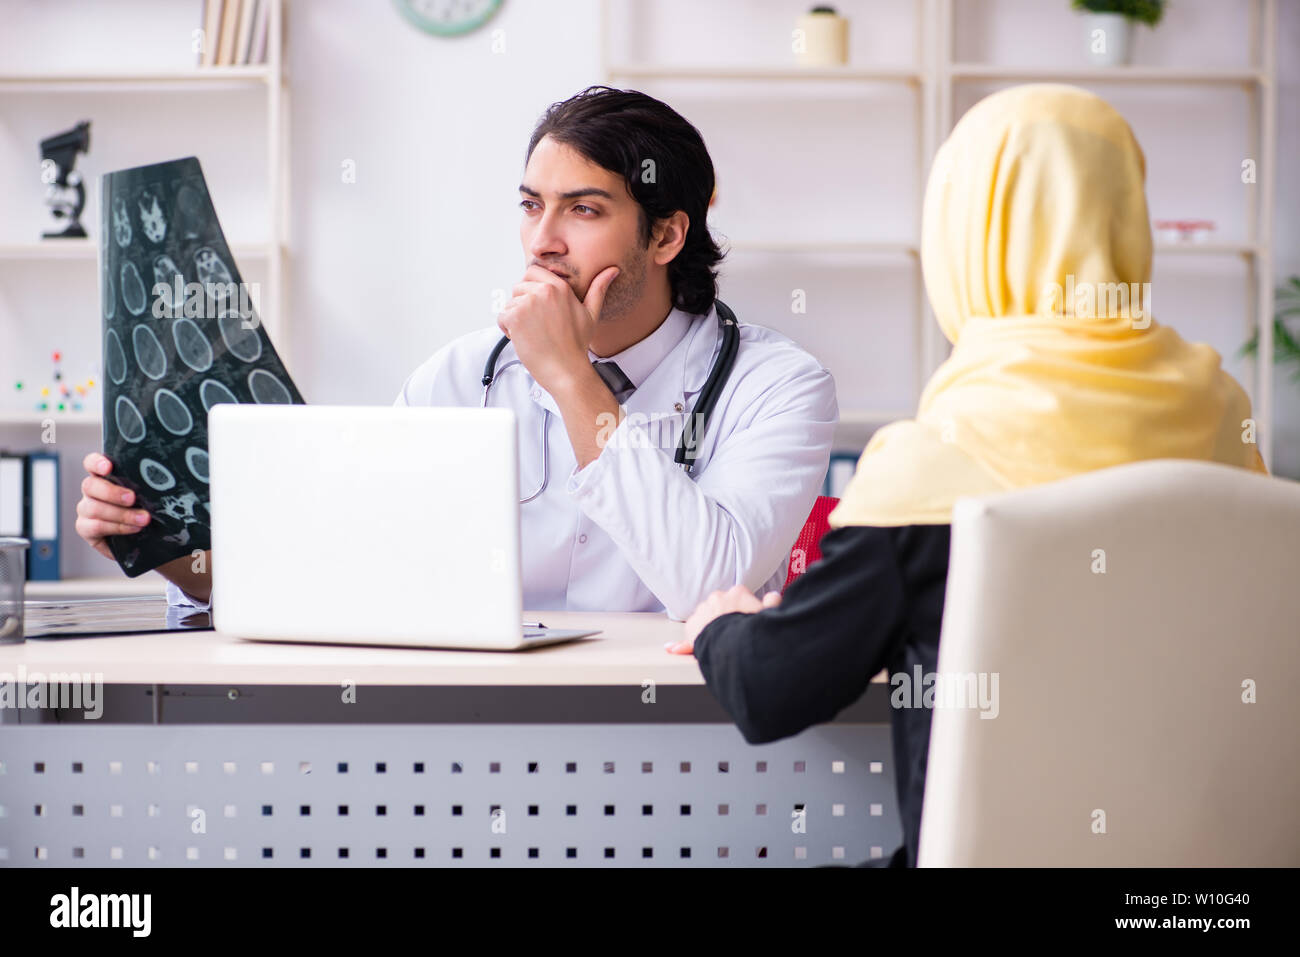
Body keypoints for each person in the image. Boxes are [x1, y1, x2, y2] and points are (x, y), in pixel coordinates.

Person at [667, 83, 1268, 867]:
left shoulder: (939, 466)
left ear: (964, 234)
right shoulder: (1226, 422)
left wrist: (722, 622)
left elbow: (772, 689)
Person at [74, 85, 838, 619]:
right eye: (532, 206)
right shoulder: (458, 377)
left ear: (667, 234)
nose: (543, 240)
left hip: (689, 740)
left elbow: (708, 584)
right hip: (470, 741)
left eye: (585, 210)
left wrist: (570, 375)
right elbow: (338, 581)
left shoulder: (779, 387)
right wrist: (165, 548)